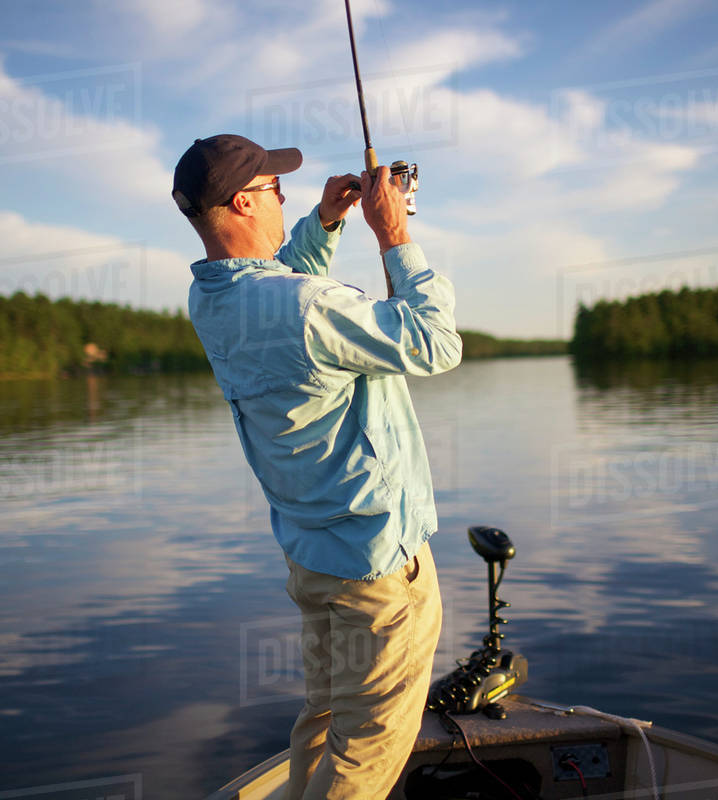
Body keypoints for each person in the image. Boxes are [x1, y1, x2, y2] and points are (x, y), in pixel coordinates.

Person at [173, 134, 461, 799]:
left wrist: (325, 224)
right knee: (365, 755)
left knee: (326, 718)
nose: (284, 198)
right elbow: (435, 341)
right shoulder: (307, 310)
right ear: (245, 201)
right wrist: (394, 235)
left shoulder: (213, 302)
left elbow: (281, 281)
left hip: (314, 562)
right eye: (276, 190)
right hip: (377, 571)